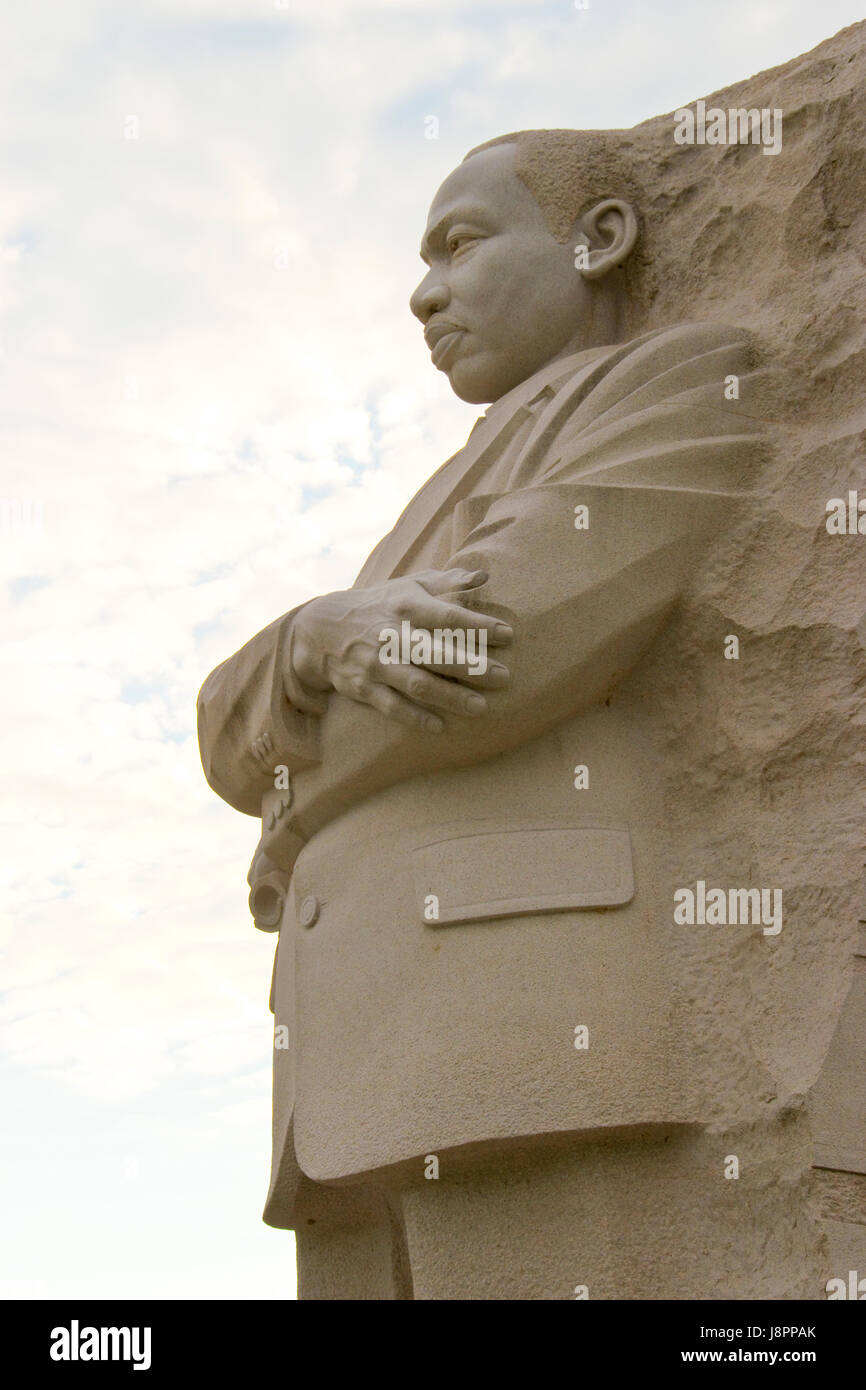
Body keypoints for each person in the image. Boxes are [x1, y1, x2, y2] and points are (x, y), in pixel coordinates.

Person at [198, 132, 815, 1299]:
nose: (422, 292)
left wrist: (281, 799)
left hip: (518, 1039)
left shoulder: (682, 380)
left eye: (459, 243)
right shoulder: (428, 504)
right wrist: (312, 640)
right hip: (344, 1079)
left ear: (599, 240)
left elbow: (489, 654)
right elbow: (212, 727)